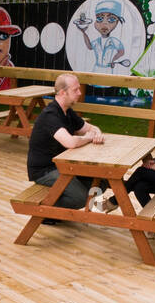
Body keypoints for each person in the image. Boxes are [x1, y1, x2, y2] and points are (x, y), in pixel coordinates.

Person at [27, 73, 105, 212]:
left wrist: (97, 134)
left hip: (64, 164)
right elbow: (71, 143)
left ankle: (92, 213)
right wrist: (88, 137)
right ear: (63, 93)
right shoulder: (50, 115)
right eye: (75, 90)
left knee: (102, 181)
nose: (80, 93)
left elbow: (91, 128)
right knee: (80, 198)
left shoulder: (67, 112)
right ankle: (42, 211)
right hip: (45, 170)